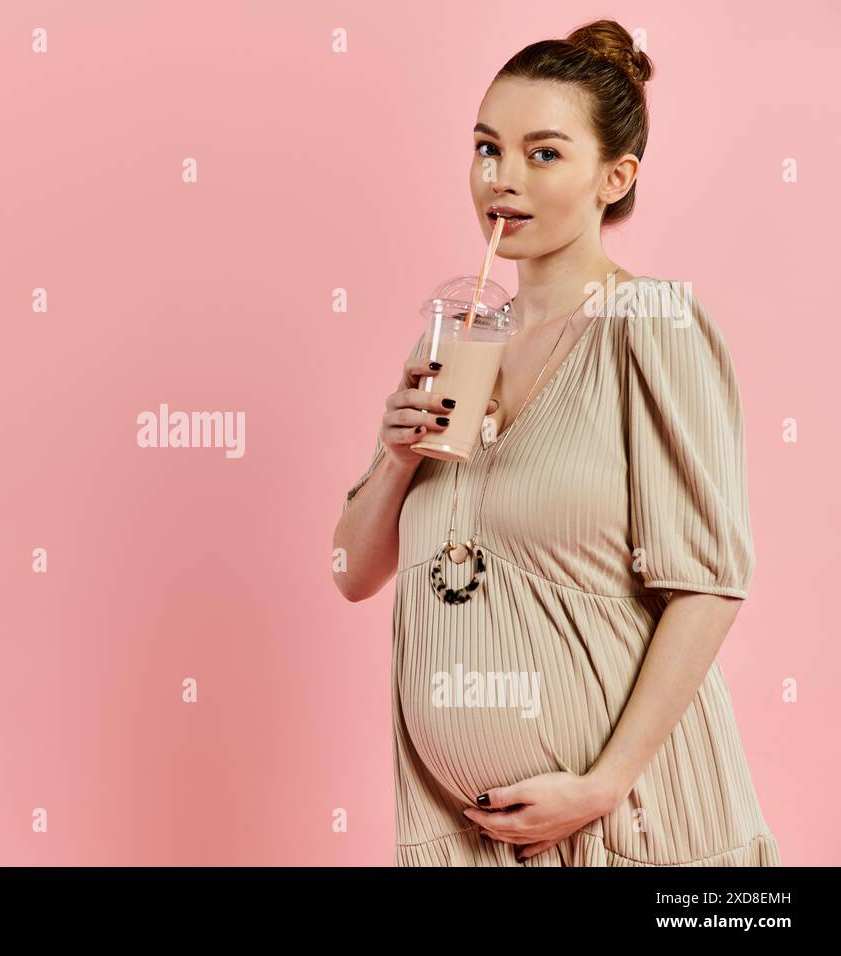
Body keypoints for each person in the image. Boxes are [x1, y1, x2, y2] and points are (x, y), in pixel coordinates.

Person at [332, 19, 779, 866]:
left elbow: (712, 583)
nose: (501, 179)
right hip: (469, 841)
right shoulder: (457, 342)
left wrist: (604, 783)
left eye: (544, 154)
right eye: (486, 147)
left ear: (616, 177)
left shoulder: (653, 325)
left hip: (636, 829)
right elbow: (350, 573)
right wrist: (394, 461)